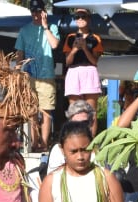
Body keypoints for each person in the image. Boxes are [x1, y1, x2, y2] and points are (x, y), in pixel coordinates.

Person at [15, 0, 61, 151]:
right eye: (33, 11)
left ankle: (44, 143)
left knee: (46, 111)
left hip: (46, 75)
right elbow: (20, 53)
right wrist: (19, 72)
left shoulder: (52, 27)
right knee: (32, 111)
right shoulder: (24, 30)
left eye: (38, 11)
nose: (35, 14)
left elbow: (54, 45)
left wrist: (45, 27)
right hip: (29, 76)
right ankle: (35, 143)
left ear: (43, 12)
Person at [62, 8, 104, 119]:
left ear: (89, 19)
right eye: (77, 17)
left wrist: (85, 48)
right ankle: (75, 130)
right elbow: (67, 62)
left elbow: (95, 61)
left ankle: (91, 131)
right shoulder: (70, 37)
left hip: (90, 71)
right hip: (73, 72)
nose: (80, 19)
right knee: (74, 111)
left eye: (83, 16)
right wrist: (74, 50)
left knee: (91, 112)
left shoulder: (95, 38)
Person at [45, 99, 94, 174]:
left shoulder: (100, 148)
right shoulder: (58, 149)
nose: (80, 127)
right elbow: (53, 176)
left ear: (91, 123)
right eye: (75, 123)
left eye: (84, 123)